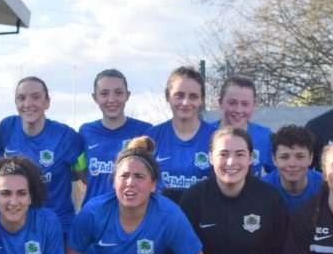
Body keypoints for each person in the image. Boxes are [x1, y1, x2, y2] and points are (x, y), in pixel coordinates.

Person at [65, 136, 205, 254]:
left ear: (153, 185)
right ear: (114, 182)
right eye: (124, 176)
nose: (130, 183)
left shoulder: (170, 216)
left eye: (139, 176)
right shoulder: (93, 212)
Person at [179, 127, 287, 254]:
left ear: (250, 158)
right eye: (223, 154)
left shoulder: (270, 197)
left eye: (240, 154)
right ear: (211, 158)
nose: (231, 162)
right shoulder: (193, 199)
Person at [0, 77, 85, 234]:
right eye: (21, 98)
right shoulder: (6, 127)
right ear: (16, 103)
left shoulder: (66, 136)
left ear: (47, 102)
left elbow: (86, 177)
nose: (28, 104)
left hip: (58, 227)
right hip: (17, 226)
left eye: (36, 97)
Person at [79, 69, 153, 202]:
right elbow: (81, 171)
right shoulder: (86, 131)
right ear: (95, 97)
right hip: (94, 216)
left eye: (118, 93)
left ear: (127, 95)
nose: (111, 99)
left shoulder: (145, 130)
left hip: (133, 215)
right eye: (104, 93)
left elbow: (151, 174)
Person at [146, 66, 217, 200]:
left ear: (201, 100)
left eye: (193, 96)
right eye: (179, 95)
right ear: (167, 96)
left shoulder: (217, 138)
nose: (186, 102)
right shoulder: (151, 137)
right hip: (163, 217)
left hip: (203, 217)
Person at [212, 75, 274, 175]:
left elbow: (278, 175)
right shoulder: (204, 133)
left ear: (254, 104)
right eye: (232, 103)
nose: (238, 110)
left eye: (245, 104)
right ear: (220, 102)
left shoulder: (265, 137)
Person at [262, 125, 324, 215]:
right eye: (284, 157)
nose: (292, 164)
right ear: (274, 159)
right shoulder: (262, 189)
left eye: (300, 157)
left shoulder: (325, 186)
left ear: (310, 158)